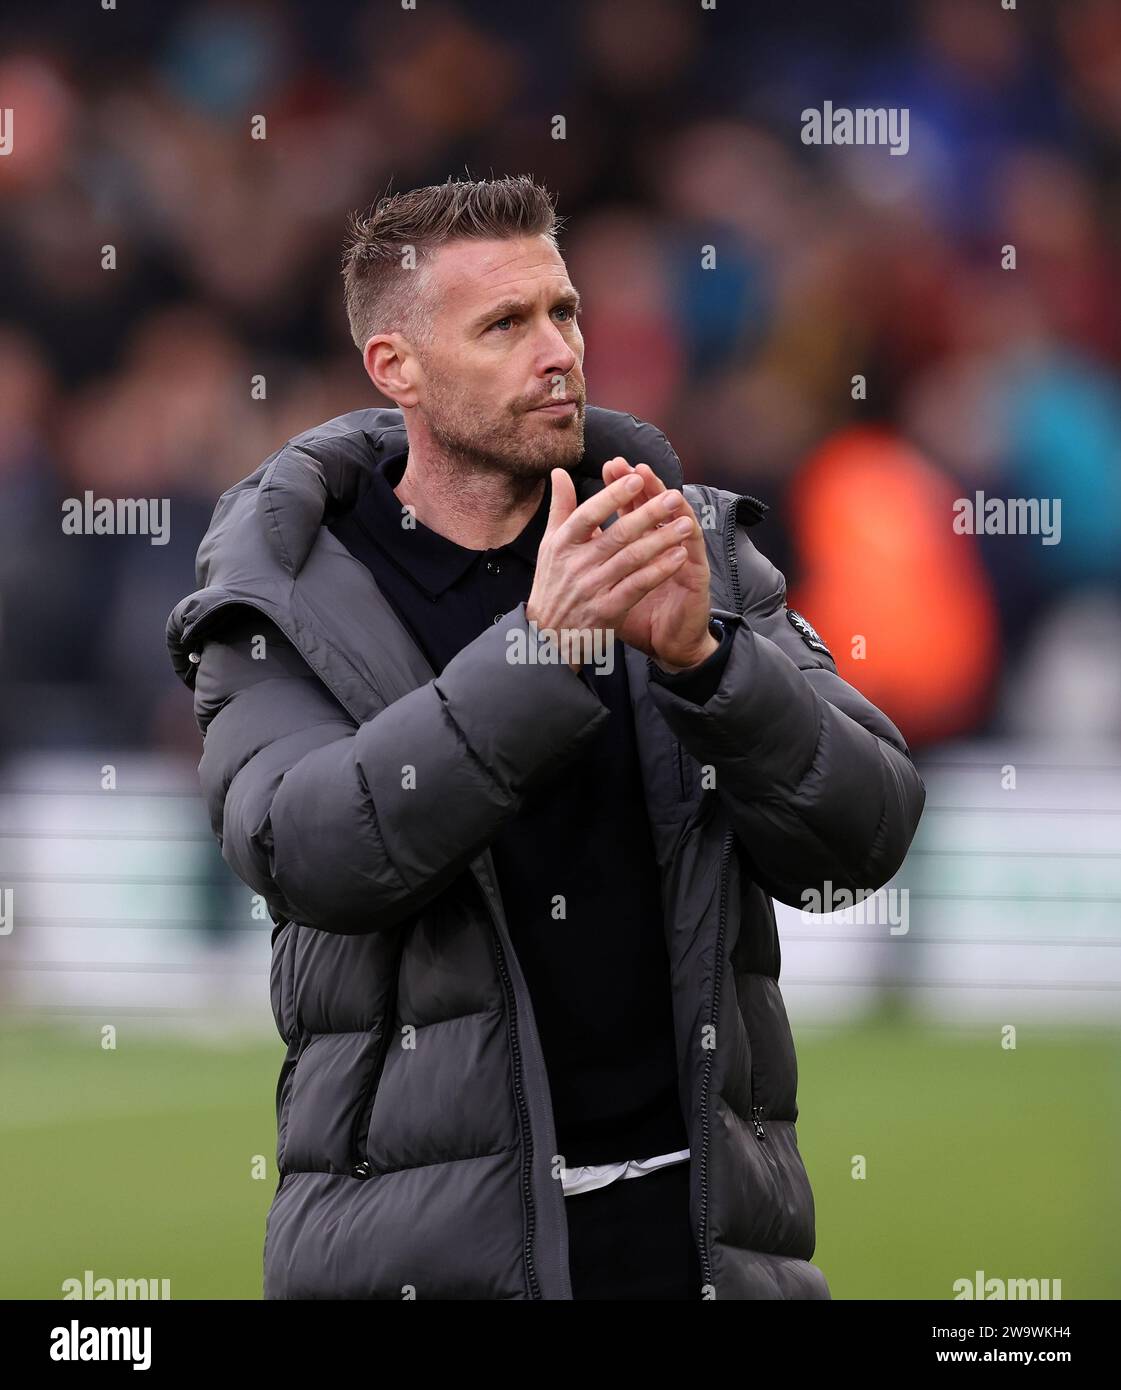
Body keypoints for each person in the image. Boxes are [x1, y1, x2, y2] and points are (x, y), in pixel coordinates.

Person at [166, 175, 926, 1299]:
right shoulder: (280, 600)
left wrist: (710, 666)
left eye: (564, 311)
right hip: (427, 1255)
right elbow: (309, 850)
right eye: (505, 325)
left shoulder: (689, 542)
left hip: (701, 1241)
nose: (559, 350)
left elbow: (865, 833)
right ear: (397, 369)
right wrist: (539, 648)